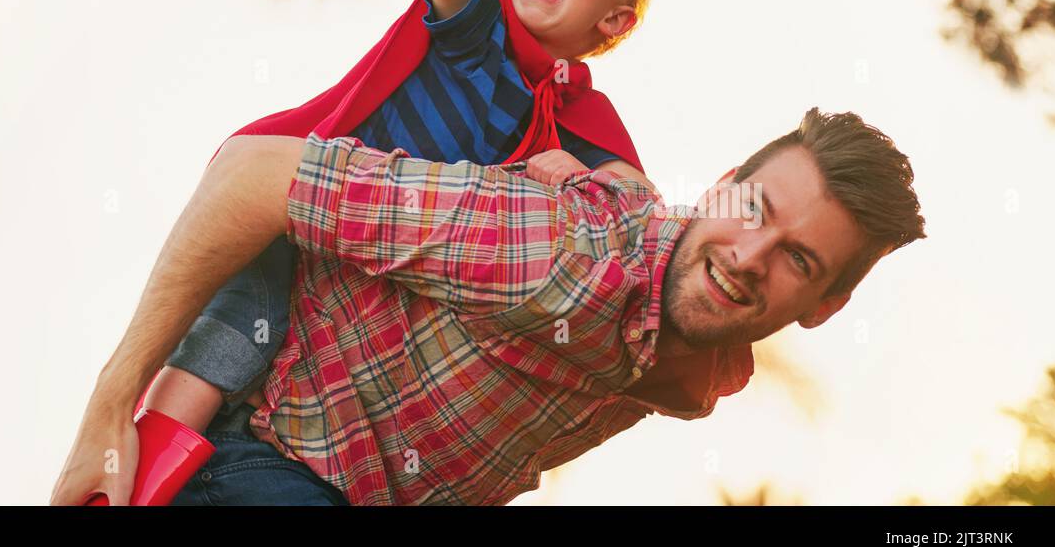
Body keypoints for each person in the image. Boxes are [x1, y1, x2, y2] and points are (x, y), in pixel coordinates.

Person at [135, 0, 657, 483]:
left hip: (364, 301)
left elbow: (638, 208)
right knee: (228, 340)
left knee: (268, 380)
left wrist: (574, 174)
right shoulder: (474, 27)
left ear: (612, 22)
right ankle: (143, 465)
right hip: (305, 223)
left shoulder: (572, 118)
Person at [50, 106, 925, 506]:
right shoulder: (553, 248)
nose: (748, 257)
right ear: (723, 187)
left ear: (827, 303)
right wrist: (107, 408)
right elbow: (252, 177)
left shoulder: (695, 368)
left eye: (797, 259)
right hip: (260, 455)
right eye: (753, 211)